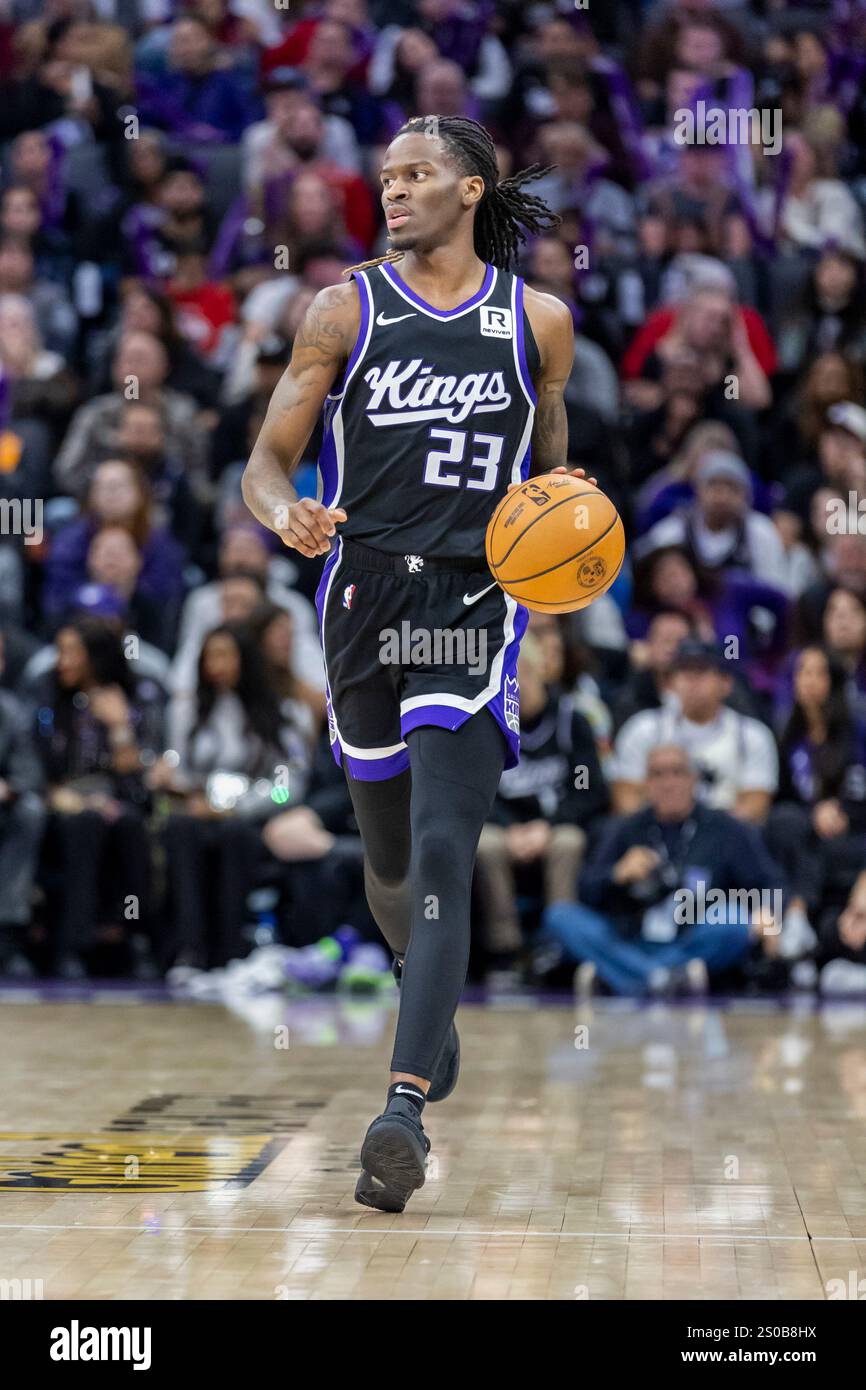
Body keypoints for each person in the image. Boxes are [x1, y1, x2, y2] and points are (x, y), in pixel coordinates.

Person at [242, 114, 582, 1212]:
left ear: (471, 189)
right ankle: (422, 1000)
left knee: (442, 849)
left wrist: (562, 572)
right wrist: (282, 510)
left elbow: (555, 488)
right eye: (385, 178)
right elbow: (264, 461)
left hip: (472, 601)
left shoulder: (537, 324)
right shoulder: (341, 308)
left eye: (417, 176)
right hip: (360, 595)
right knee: (387, 860)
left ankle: (400, 1111)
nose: (393, 193)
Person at [540, 744, 784, 998]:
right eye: (658, 774)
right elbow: (586, 889)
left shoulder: (725, 829)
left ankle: (630, 977)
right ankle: (663, 979)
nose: (668, 783)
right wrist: (616, 874)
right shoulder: (625, 828)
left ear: (693, 779)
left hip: (691, 938)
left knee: (733, 919)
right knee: (560, 916)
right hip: (629, 938)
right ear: (646, 784)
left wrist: (766, 915)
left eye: (677, 772)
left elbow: (770, 883)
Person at [474, 635, 608, 977]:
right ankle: (506, 950)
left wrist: (546, 826)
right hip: (507, 830)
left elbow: (590, 790)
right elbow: (478, 791)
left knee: (569, 841)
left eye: (520, 675)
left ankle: (558, 944)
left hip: (554, 826)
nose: (514, 686)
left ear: (538, 671)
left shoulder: (571, 721)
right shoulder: (489, 725)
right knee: (486, 844)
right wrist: (511, 829)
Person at [610, 638, 778, 823]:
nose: (691, 680)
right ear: (670, 683)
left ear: (726, 683)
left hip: (726, 837)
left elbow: (756, 806)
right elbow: (626, 798)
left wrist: (706, 835)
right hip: (657, 832)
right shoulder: (643, 729)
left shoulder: (751, 735)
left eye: (701, 671)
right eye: (683, 671)